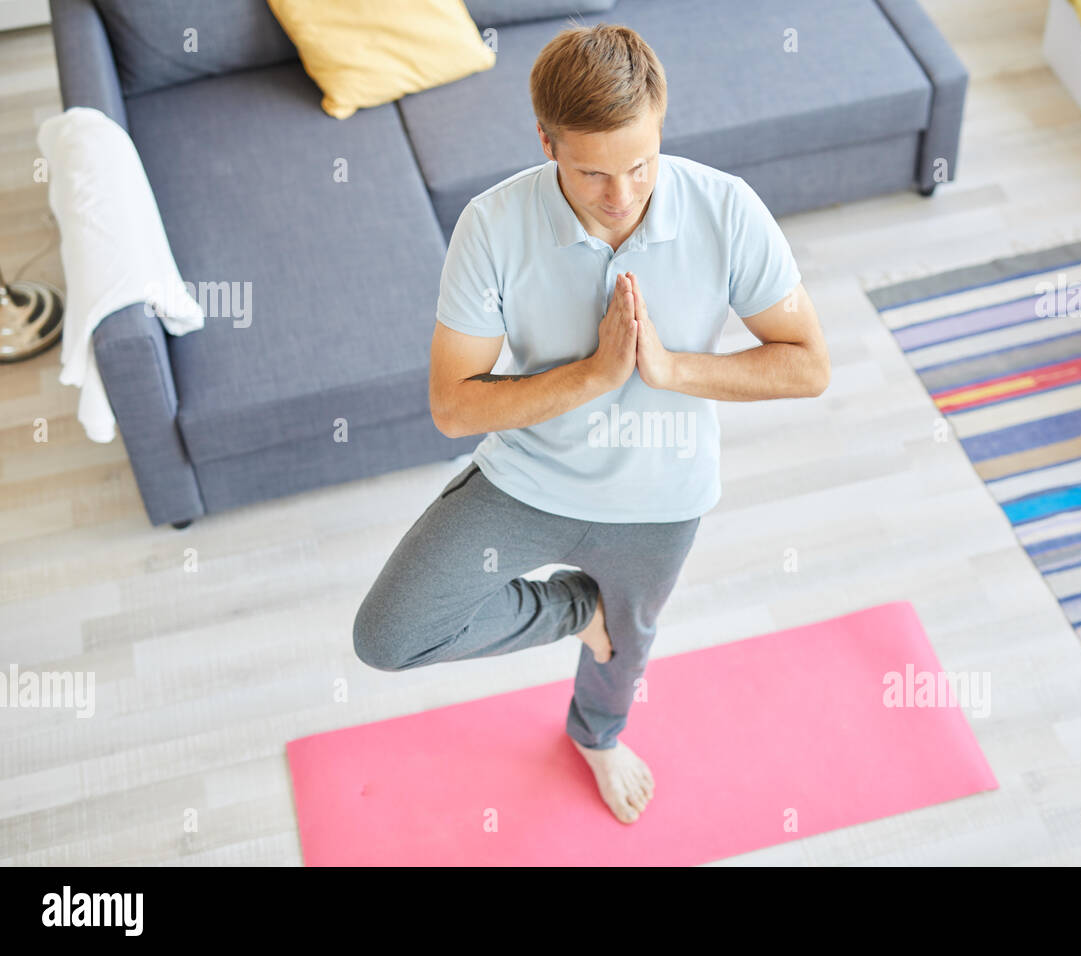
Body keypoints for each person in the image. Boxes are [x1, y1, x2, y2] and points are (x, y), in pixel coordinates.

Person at [353, 23, 829, 825]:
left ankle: (597, 737)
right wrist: (592, 377)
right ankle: (580, 611)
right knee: (389, 635)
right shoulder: (491, 226)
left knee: (629, 650)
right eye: (591, 172)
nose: (621, 195)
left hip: (661, 499)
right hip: (526, 484)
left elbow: (807, 364)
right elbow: (452, 405)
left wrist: (673, 369)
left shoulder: (726, 209)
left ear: (661, 124)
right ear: (546, 141)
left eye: (640, 165)